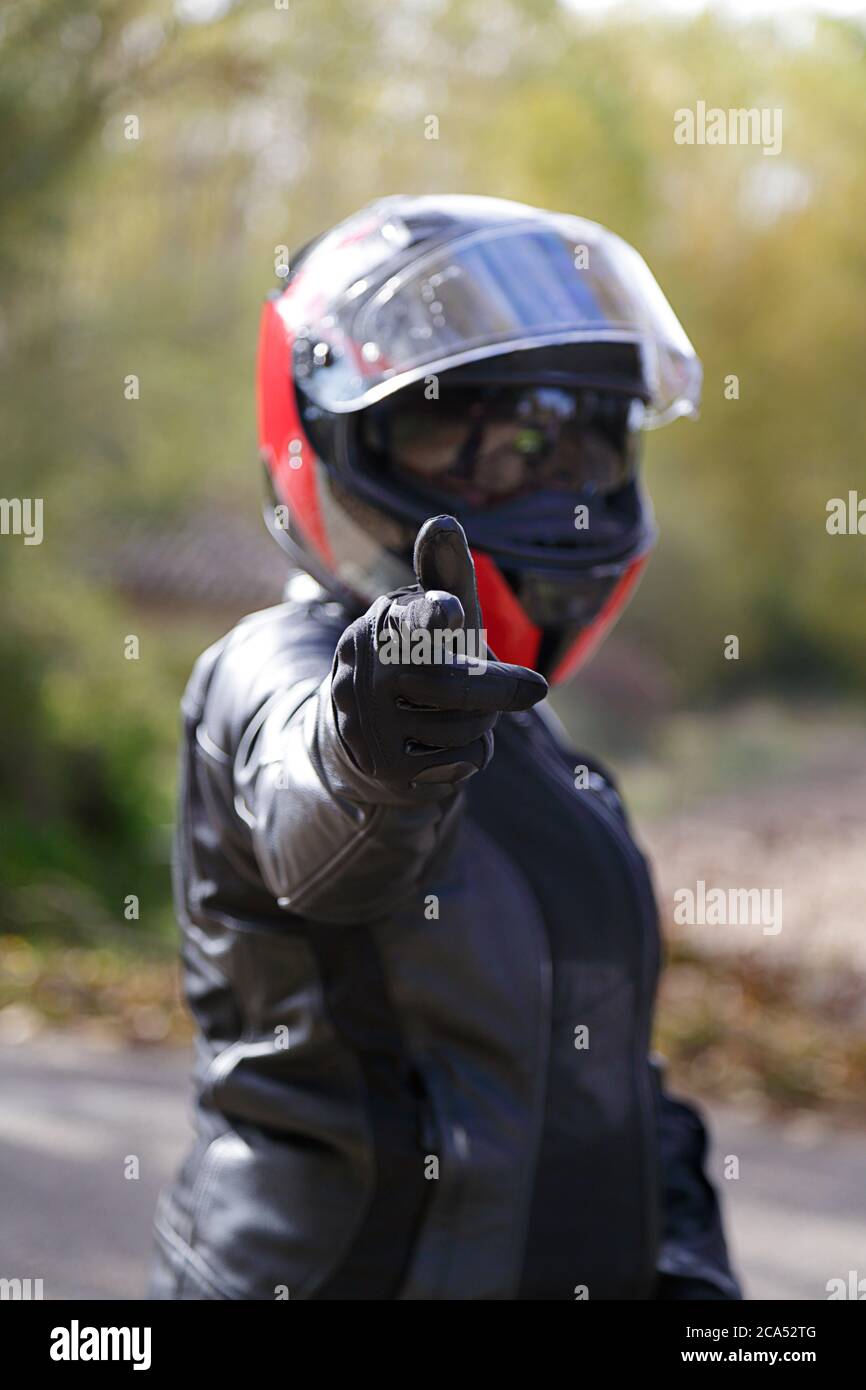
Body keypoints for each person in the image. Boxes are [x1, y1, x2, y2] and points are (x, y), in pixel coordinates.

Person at [150, 195, 741, 1300]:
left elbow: (610, 1072)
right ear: (329, 437)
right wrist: (373, 750)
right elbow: (316, 811)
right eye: (460, 434)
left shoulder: (540, 750)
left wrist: (682, 1267)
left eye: (567, 439)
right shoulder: (274, 670)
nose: (541, 487)